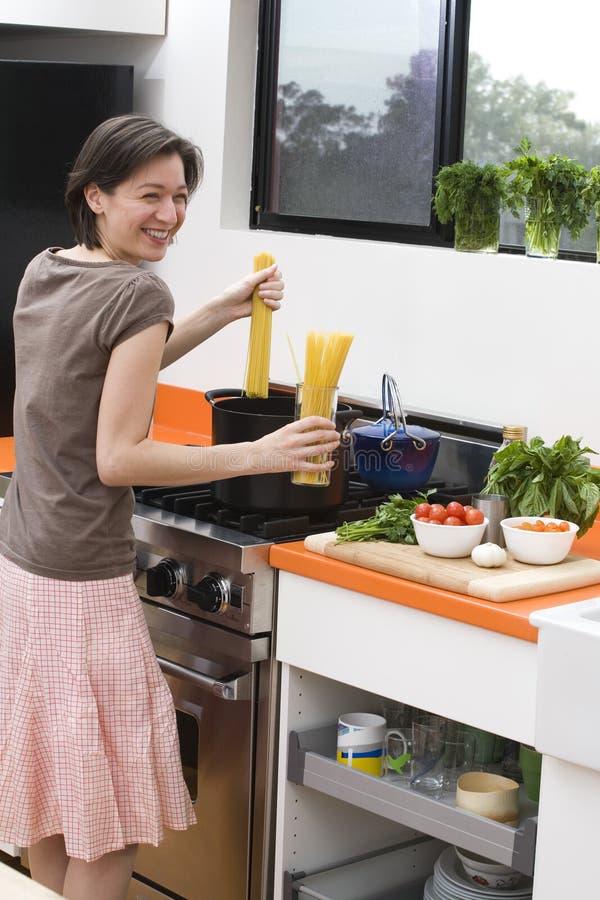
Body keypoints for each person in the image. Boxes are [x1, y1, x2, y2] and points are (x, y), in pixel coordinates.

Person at [0, 114, 339, 900]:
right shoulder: (138, 289)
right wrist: (262, 452)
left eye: (181, 196)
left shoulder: (48, 268)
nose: (171, 214)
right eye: (149, 195)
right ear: (97, 195)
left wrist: (218, 312)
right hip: (82, 586)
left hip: (24, 564)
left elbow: (104, 367)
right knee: (109, 839)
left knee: (60, 811)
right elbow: (118, 457)